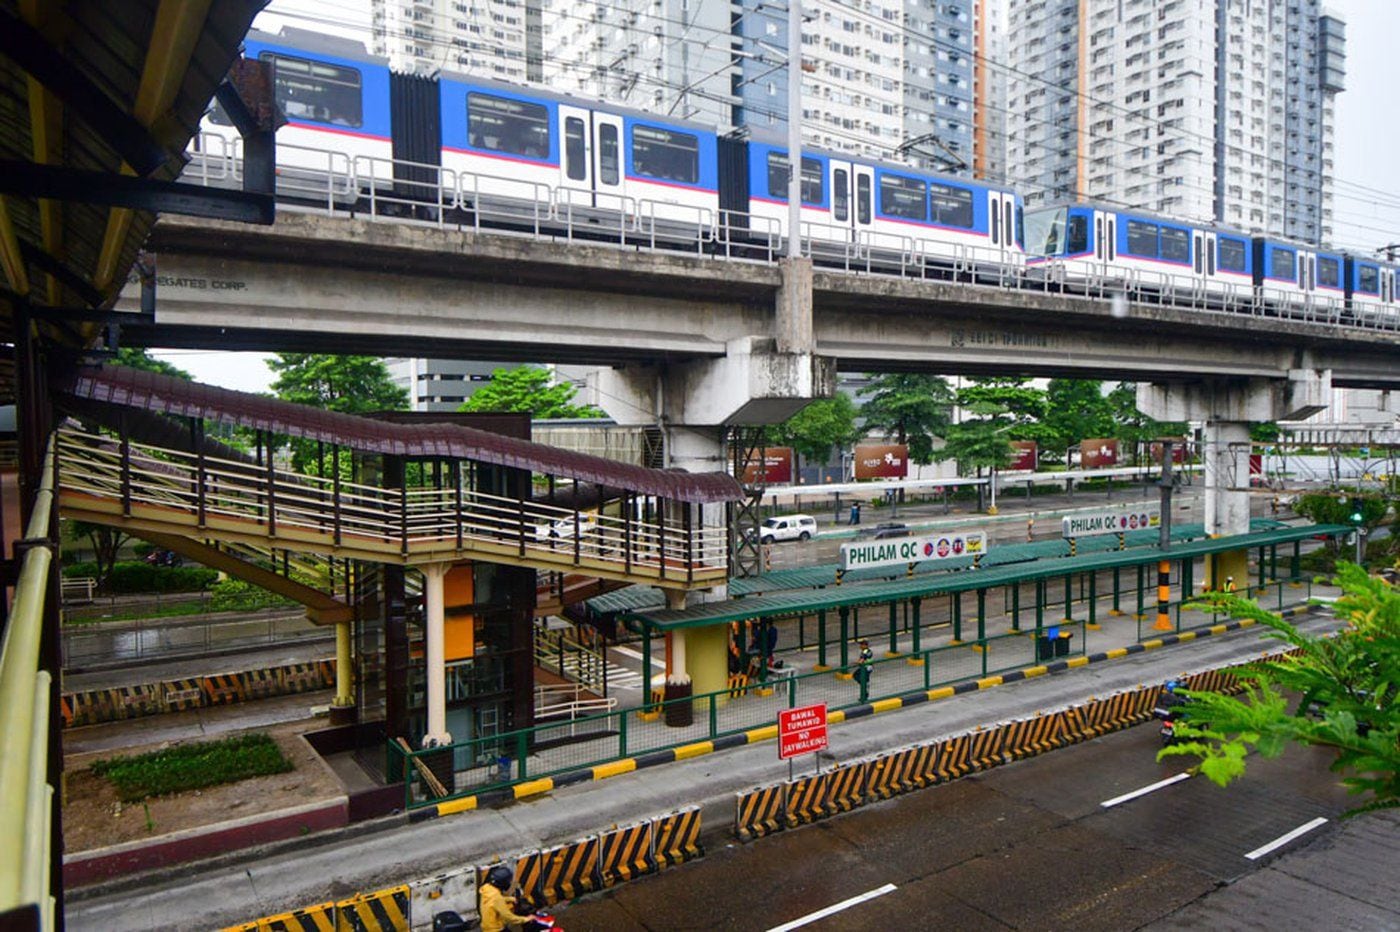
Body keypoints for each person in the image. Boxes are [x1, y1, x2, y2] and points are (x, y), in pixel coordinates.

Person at [479, 865, 534, 932]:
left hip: (486, 927)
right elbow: (508, 917)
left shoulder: (487, 889)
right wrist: (526, 919)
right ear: (503, 882)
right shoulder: (497, 898)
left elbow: (493, 901)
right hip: (496, 929)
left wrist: (511, 899)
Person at [855, 638, 874, 703]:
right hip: (865, 668)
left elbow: (861, 660)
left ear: (865, 645)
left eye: (861, 644)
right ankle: (864, 687)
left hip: (867, 668)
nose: (860, 646)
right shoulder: (865, 651)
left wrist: (856, 662)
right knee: (857, 676)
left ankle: (865, 695)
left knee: (860, 677)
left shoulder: (866, 651)